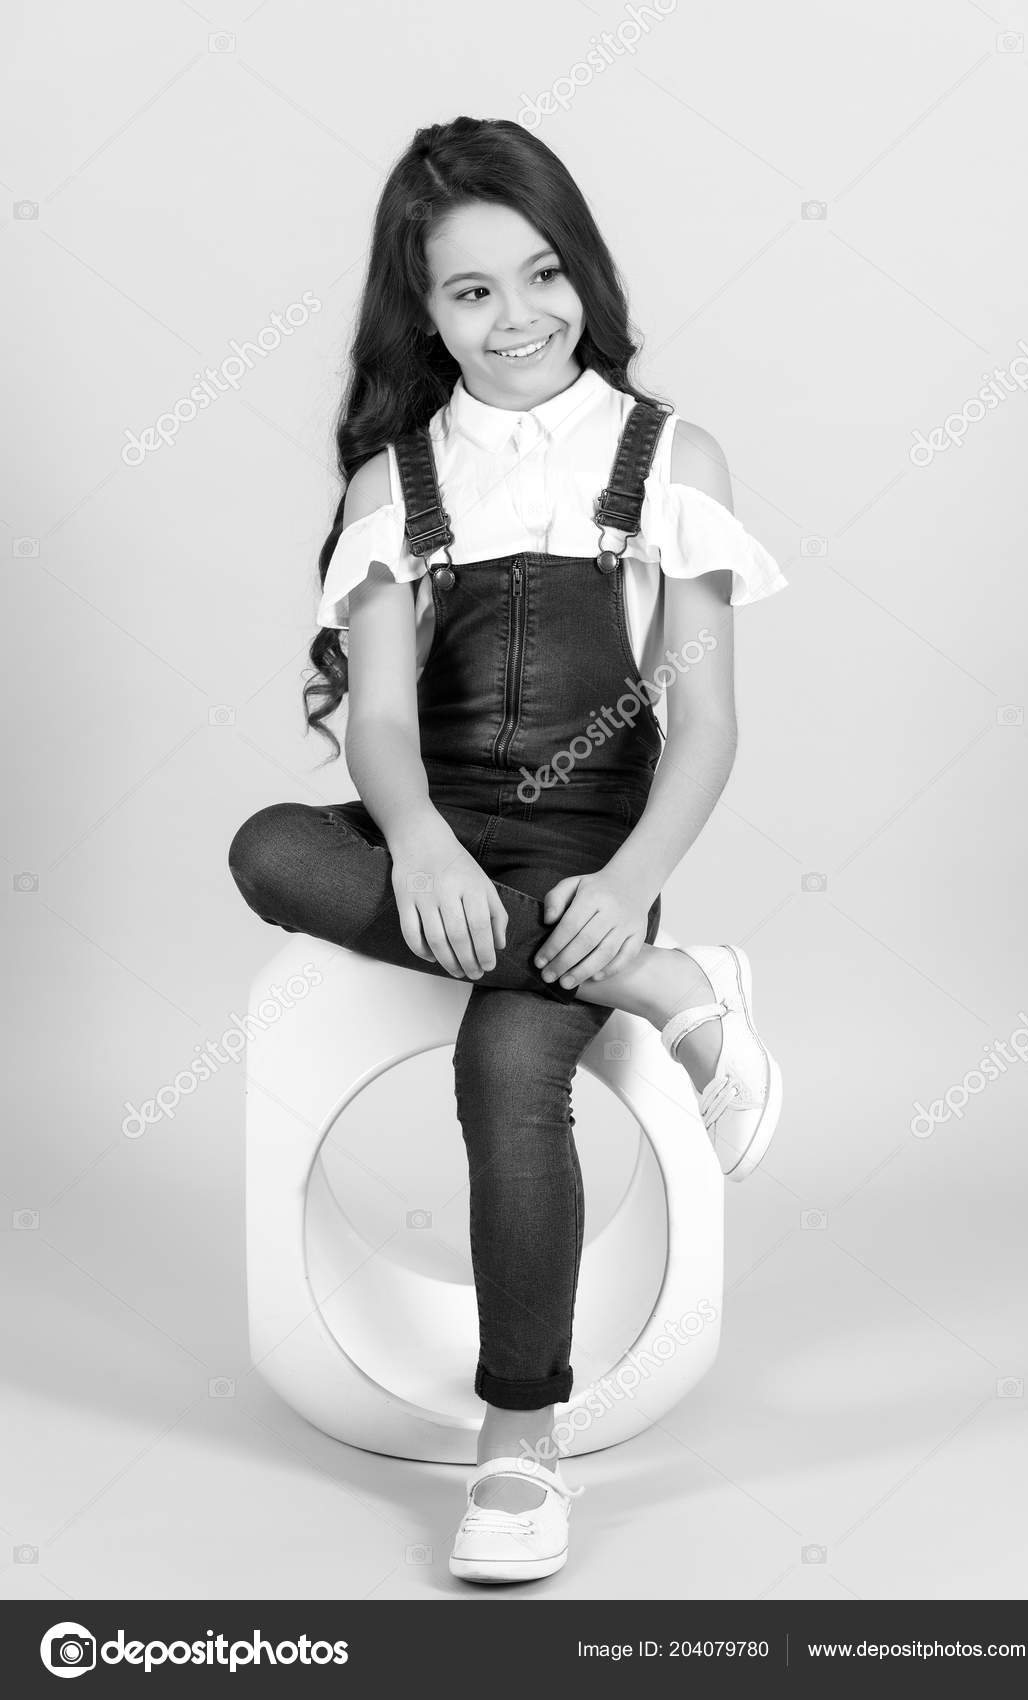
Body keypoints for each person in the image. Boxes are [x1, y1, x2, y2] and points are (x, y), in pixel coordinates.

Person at [227, 116, 788, 1585]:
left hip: (594, 844)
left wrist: (619, 881)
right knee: (271, 850)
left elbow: (706, 719)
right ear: (420, 310)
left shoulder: (669, 459)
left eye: (542, 275)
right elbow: (382, 724)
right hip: (444, 838)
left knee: (505, 1068)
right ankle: (670, 992)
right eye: (471, 293)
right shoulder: (393, 485)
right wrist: (411, 841)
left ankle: (517, 1446)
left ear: (582, 274)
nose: (518, 317)